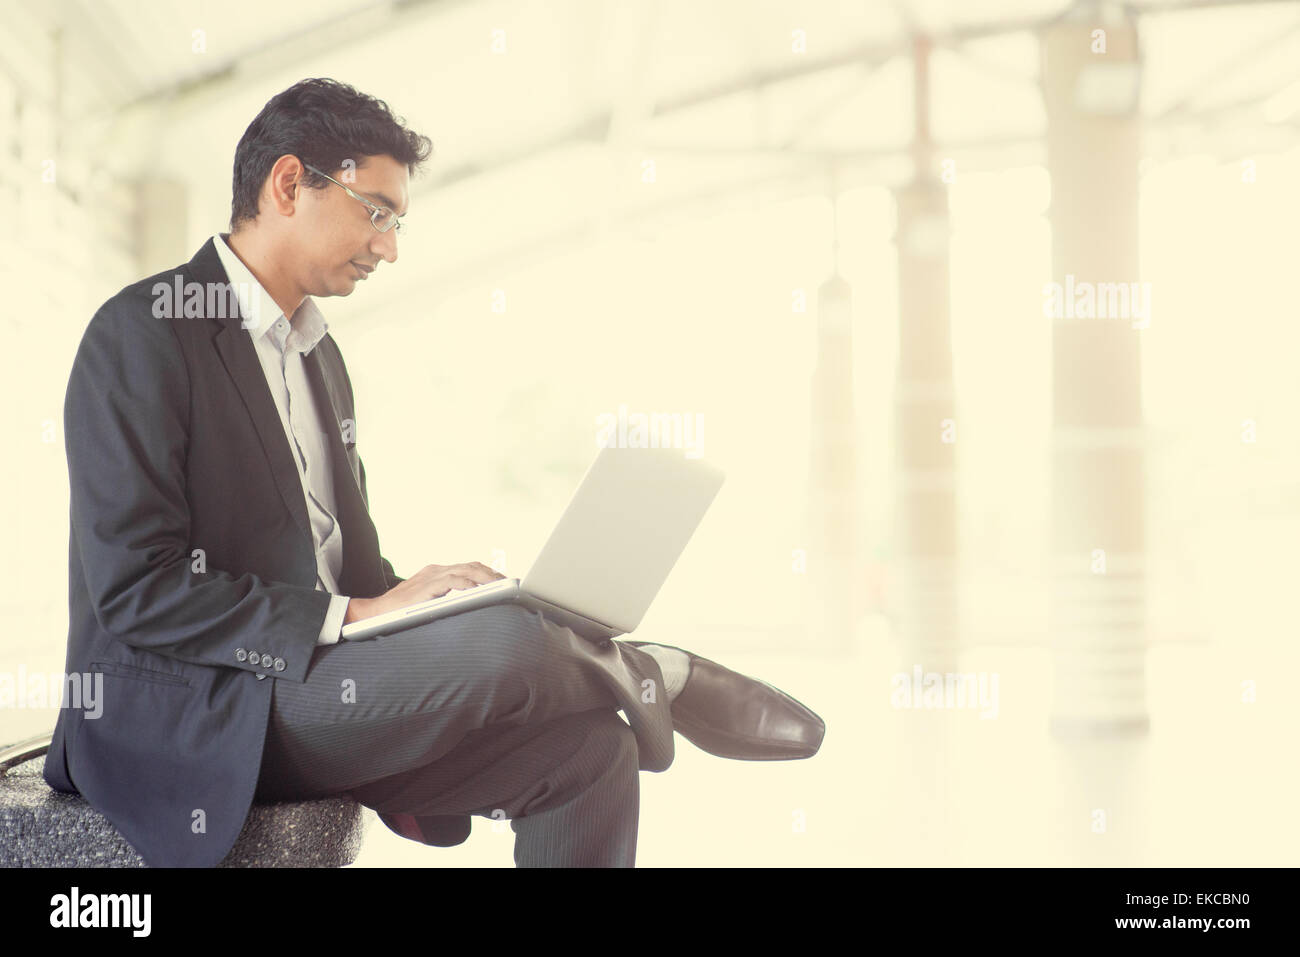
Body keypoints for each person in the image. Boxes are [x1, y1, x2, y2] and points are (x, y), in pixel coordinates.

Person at [44, 78, 825, 867]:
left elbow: (343, 567)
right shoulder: (144, 333)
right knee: (508, 645)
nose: (388, 245)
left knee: (590, 750)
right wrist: (363, 614)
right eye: (376, 211)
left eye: (396, 223)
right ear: (289, 184)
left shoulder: (319, 357)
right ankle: (653, 671)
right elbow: (137, 590)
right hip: (198, 702)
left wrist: (416, 605)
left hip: (312, 686)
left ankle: (620, 669)